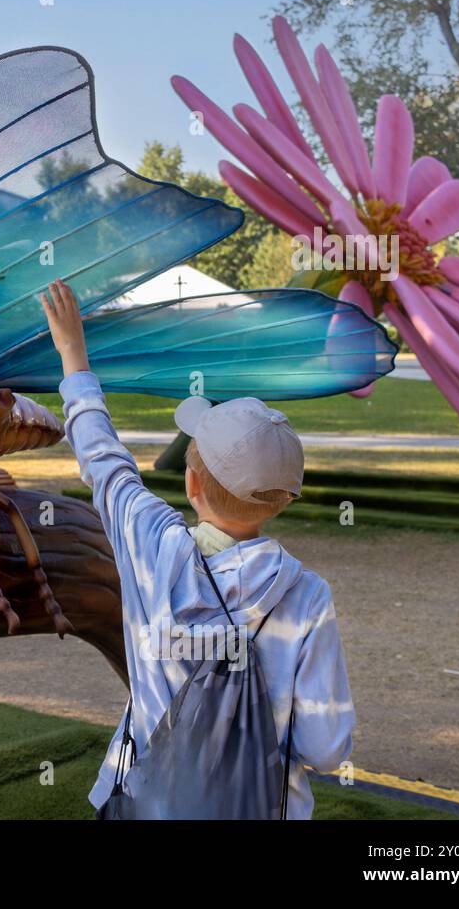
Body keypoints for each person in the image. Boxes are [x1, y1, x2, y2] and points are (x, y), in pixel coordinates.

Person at [40, 280, 354, 818]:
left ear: (190, 485)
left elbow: (103, 460)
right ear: (282, 500)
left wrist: (73, 353)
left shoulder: (151, 544)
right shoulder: (307, 596)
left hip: (144, 799)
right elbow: (325, 748)